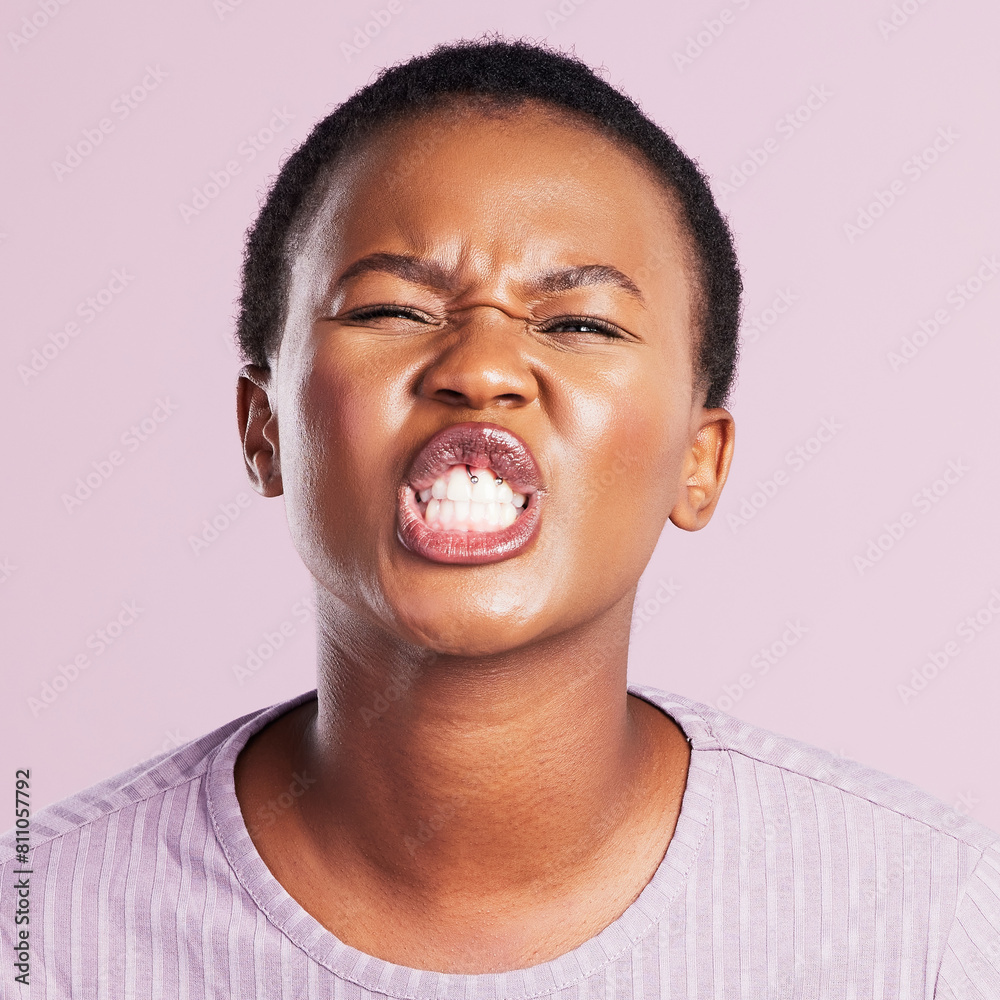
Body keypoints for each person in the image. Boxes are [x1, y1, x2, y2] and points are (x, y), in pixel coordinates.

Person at [3, 38, 998, 998]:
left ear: (699, 462)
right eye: (392, 309)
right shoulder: (37, 931)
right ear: (264, 428)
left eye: (578, 324)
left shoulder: (928, 928)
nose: (479, 370)